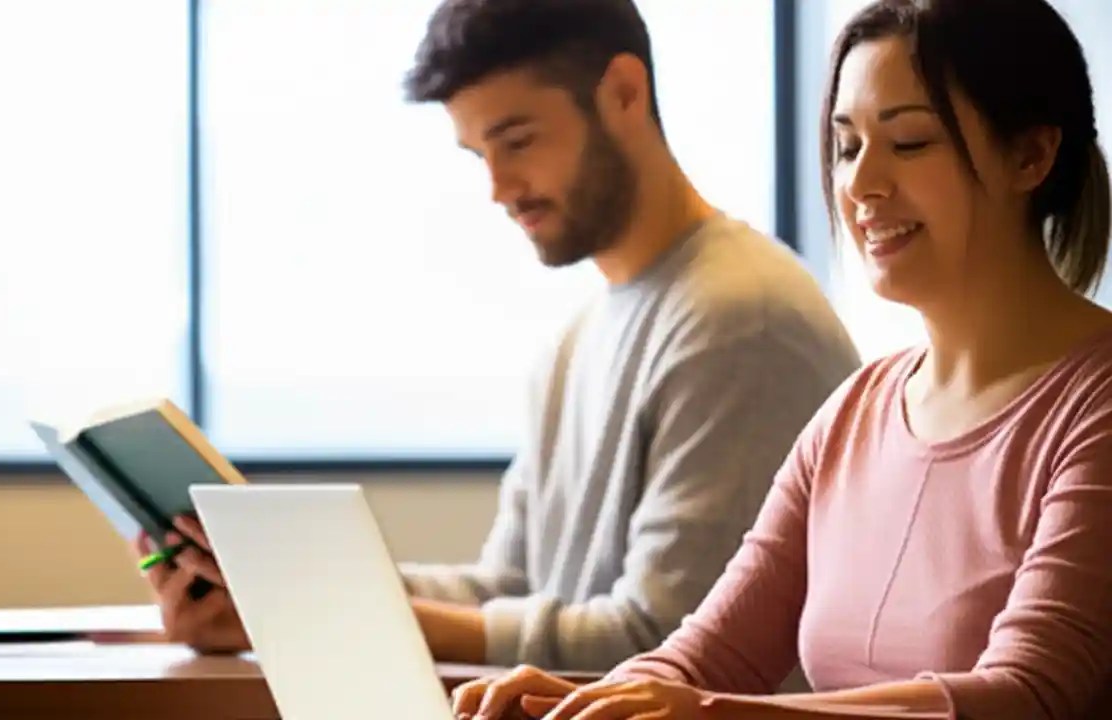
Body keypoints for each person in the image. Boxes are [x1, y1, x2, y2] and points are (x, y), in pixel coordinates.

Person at [138, 0, 859, 672]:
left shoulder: (740, 318)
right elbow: (512, 586)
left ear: (623, 94)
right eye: (478, 155)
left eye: (517, 141)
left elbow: (665, 643)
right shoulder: (576, 342)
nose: (498, 186)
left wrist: (318, 616)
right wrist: (285, 591)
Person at [451, 0, 1112, 717]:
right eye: (848, 146)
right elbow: (705, 656)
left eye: (911, 142)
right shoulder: (854, 414)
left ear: (1031, 156)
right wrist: (570, 698)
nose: (862, 185)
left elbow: (1031, 695)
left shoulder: (1093, 406)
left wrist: (714, 713)